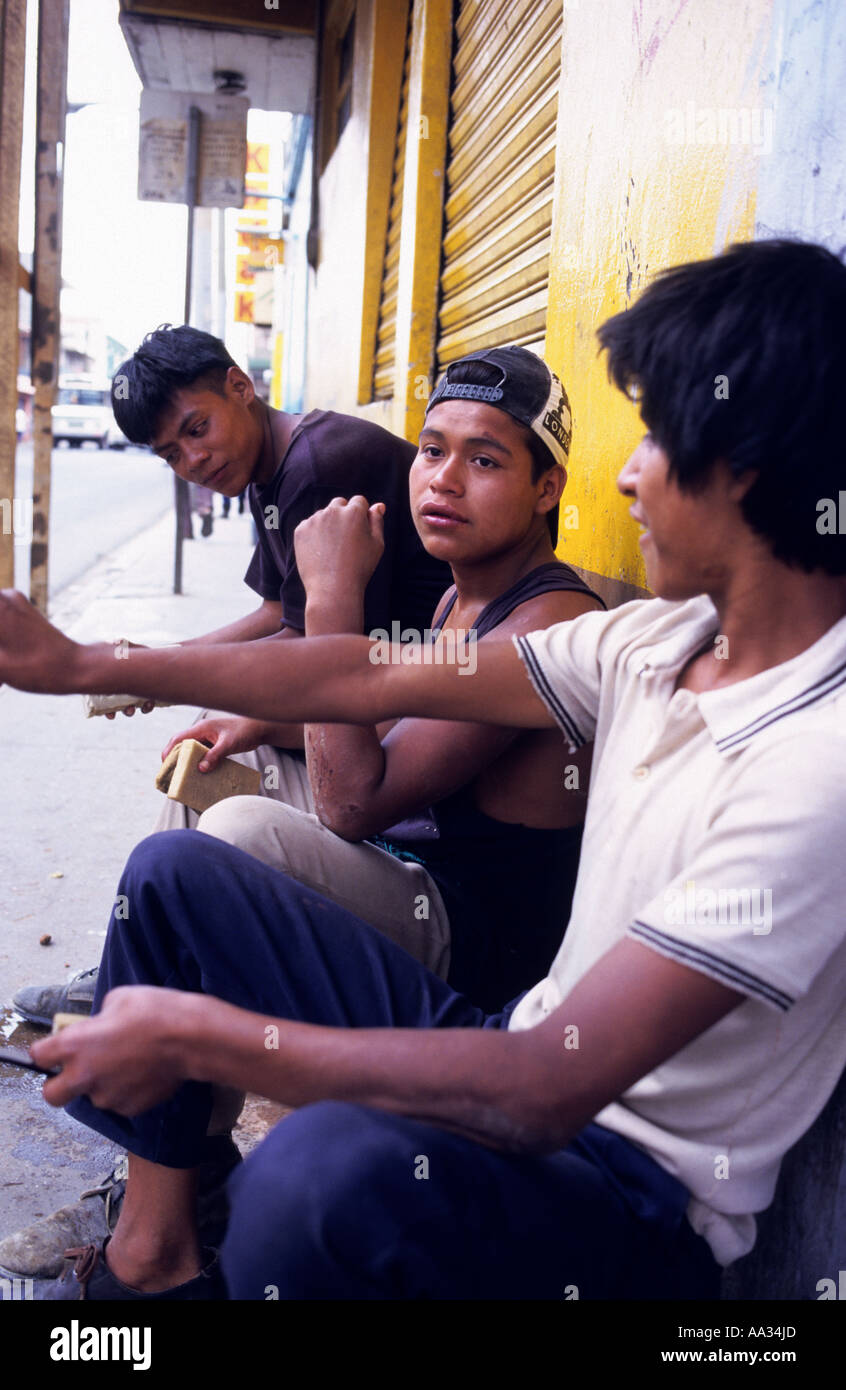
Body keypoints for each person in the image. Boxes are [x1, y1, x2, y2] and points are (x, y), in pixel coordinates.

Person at [1, 237, 844, 1301]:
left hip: (622, 1192)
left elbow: (546, 1090)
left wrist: (213, 1033)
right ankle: (152, 1267)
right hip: (516, 1041)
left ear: (747, 467)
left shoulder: (815, 764)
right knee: (178, 877)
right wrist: (84, 660)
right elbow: (368, 670)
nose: (628, 474)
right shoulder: (651, 645)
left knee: (314, 1179)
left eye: (661, 438)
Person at [11, 323, 451, 1028]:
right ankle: (136, 969)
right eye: (169, 454)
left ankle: (153, 982)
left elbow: (308, 659)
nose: (191, 459)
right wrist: (168, 671)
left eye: (195, 429)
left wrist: (168, 673)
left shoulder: (319, 465)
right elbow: (280, 612)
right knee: (204, 760)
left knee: (226, 768)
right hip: (365, 697)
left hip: (410, 734)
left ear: (239, 387)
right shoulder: (269, 463)